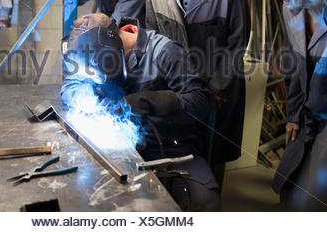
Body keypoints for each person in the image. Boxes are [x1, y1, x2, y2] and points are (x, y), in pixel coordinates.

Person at [61, 13, 220, 211]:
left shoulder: (164, 52)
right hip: (121, 151)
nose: (92, 70)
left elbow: (201, 101)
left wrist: (155, 101)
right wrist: (97, 105)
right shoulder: (91, 52)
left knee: (205, 203)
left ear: (109, 50)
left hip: (173, 151)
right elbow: (70, 86)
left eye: (95, 65)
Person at [135, 0, 250, 186]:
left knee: (213, 155)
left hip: (219, 90)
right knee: (180, 155)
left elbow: (236, 41)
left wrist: (218, 87)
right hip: (179, 93)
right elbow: (153, 39)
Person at [266, 0, 327, 210]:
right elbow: (294, 68)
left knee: (320, 200)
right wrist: (293, 116)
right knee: (288, 190)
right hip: (307, 119)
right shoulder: (293, 10)